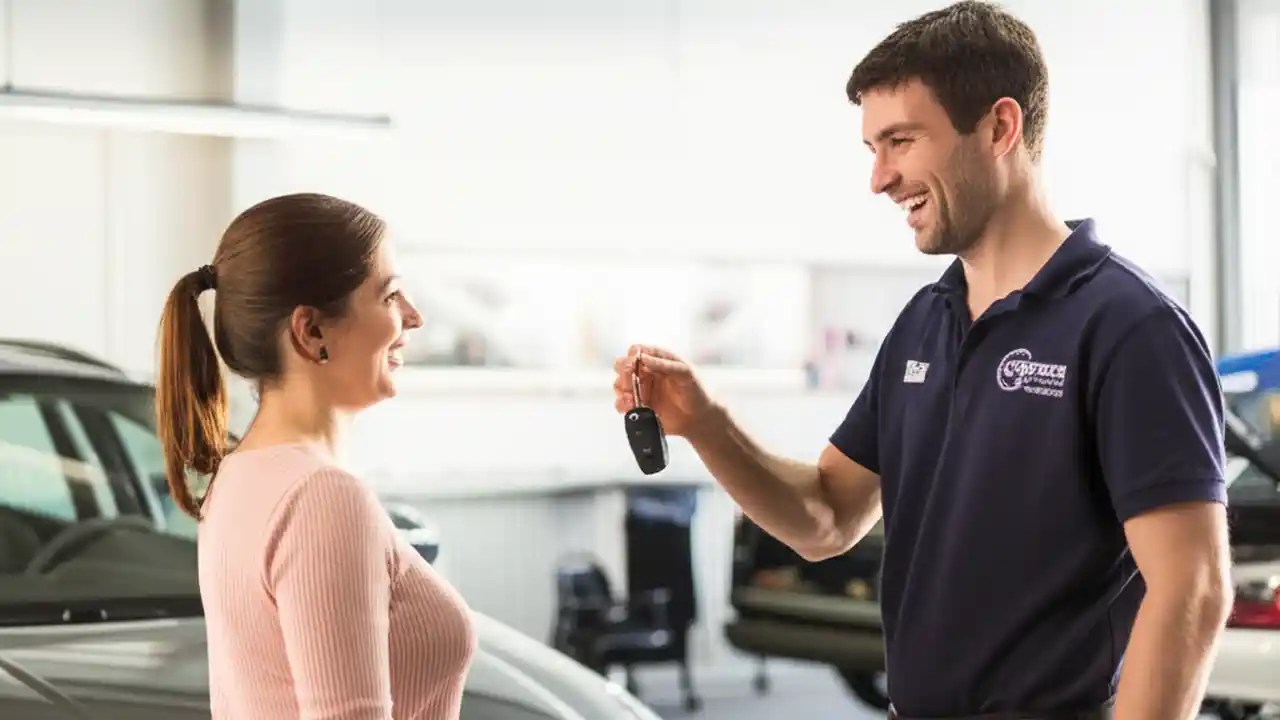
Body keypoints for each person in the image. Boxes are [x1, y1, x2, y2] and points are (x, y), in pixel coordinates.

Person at [613, 3, 1232, 719]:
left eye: (901, 141)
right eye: (873, 148)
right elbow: (825, 517)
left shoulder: (1131, 326)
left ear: (1000, 127)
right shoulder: (922, 324)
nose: (879, 178)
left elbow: (1193, 587)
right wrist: (706, 424)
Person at [155, 192, 477, 719]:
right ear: (311, 331)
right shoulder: (321, 496)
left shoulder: (240, 475)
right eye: (390, 296)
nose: (414, 317)